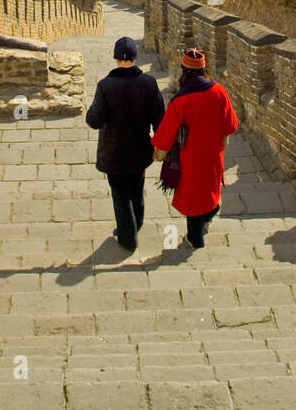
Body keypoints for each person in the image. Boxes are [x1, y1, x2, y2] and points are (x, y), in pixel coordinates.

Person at [152, 48, 239, 250]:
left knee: (193, 199)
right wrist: (222, 144)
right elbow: (230, 125)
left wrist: (159, 153)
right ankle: (207, 218)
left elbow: (167, 134)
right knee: (210, 191)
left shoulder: (180, 101)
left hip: (189, 158)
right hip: (213, 155)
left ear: (184, 70)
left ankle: (195, 240)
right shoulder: (219, 91)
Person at [85, 36, 165, 253]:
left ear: (116, 59)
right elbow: (160, 119)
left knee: (120, 194)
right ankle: (136, 223)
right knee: (136, 187)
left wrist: (91, 111)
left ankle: (128, 239)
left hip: (114, 152)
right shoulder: (149, 83)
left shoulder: (105, 85)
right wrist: (161, 146)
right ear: (135, 58)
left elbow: (94, 121)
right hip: (140, 148)